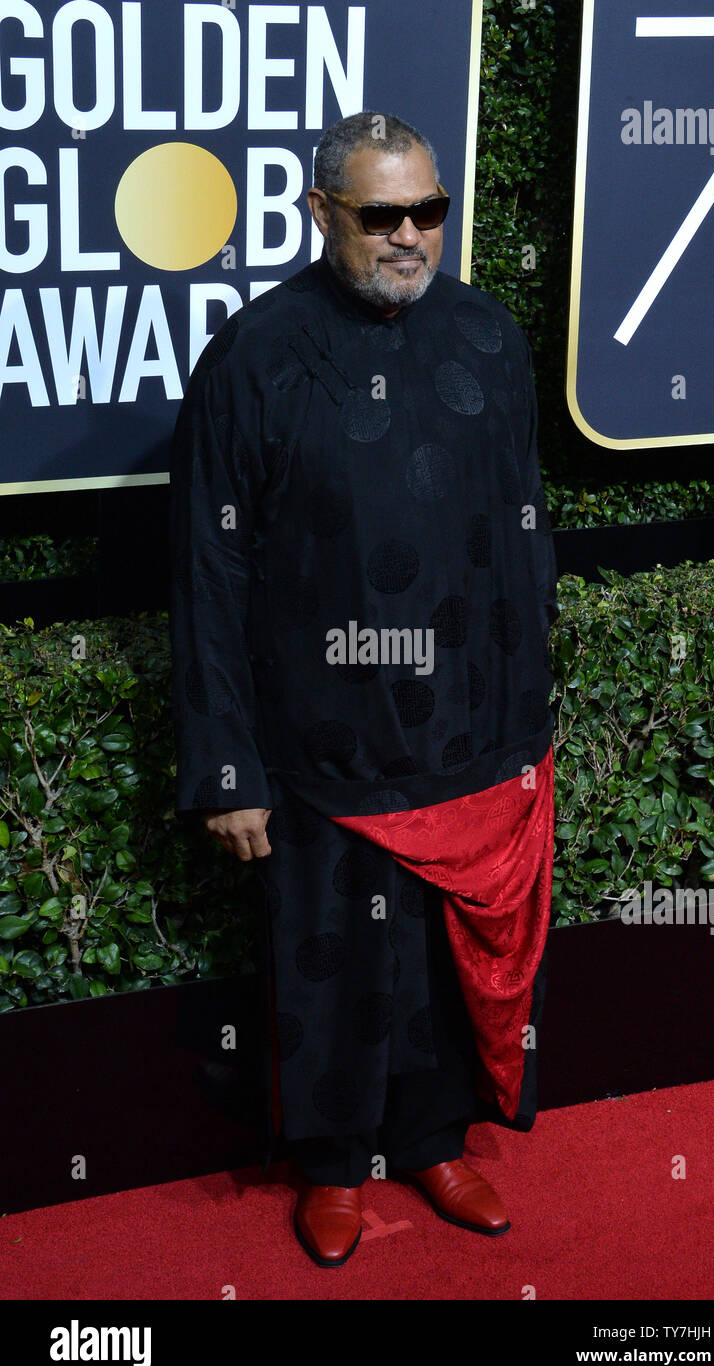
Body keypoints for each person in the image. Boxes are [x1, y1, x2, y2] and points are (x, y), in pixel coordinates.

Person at [169, 111, 559, 1269]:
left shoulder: (489, 337)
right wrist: (226, 764)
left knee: (443, 962)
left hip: (472, 736)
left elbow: (524, 540)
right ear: (321, 214)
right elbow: (207, 569)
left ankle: (436, 1142)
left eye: (426, 212)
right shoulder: (254, 355)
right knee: (330, 960)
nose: (408, 237)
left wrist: (531, 726)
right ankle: (334, 1164)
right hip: (318, 739)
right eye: (380, 215)